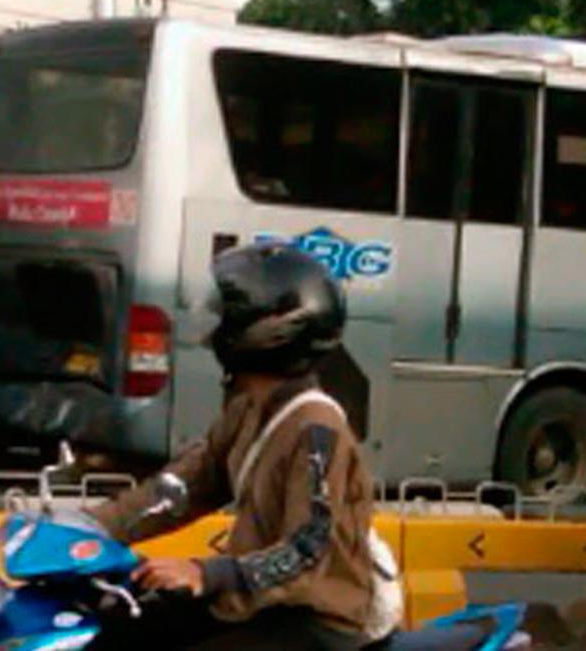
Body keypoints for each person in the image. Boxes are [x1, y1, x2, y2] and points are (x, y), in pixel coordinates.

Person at [87, 240, 379, 650]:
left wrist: (207, 574)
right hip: (255, 603)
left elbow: (307, 550)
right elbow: (182, 488)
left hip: (315, 621)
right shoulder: (248, 410)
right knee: (120, 628)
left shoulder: (315, 427)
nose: (212, 326)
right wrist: (91, 527)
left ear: (269, 330)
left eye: (226, 315)